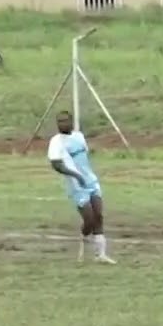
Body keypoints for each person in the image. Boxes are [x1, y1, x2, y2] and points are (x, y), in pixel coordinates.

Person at [46, 111, 115, 264]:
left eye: (65, 120)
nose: (62, 124)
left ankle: (100, 254)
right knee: (89, 219)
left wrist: (87, 175)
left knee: (98, 215)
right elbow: (56, 165)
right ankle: (83, 239)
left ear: (71, 122)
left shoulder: (79, 136)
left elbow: (85, 157)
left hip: (90, 181)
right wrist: (77, 176)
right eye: (59, 121)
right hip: (76, 185)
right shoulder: (56, 142)